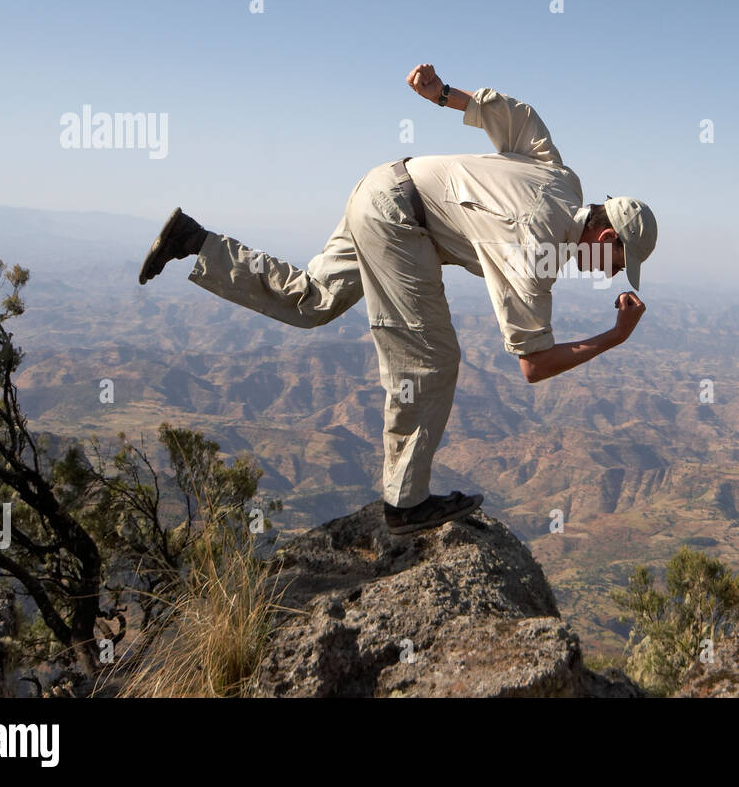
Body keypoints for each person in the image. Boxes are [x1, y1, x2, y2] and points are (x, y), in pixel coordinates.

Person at [137, 64, 657, 535]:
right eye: (615, 265)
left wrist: (443, 94)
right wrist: (614, 337)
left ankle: (194, 242)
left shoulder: (562, 180)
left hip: (384, 185)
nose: (609, 275)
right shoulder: (536, 247)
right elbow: (534, 365)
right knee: (431, 360)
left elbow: (518, 116)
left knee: (314, 301)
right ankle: (405, 504)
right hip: (400, 221)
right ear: (607, 239)